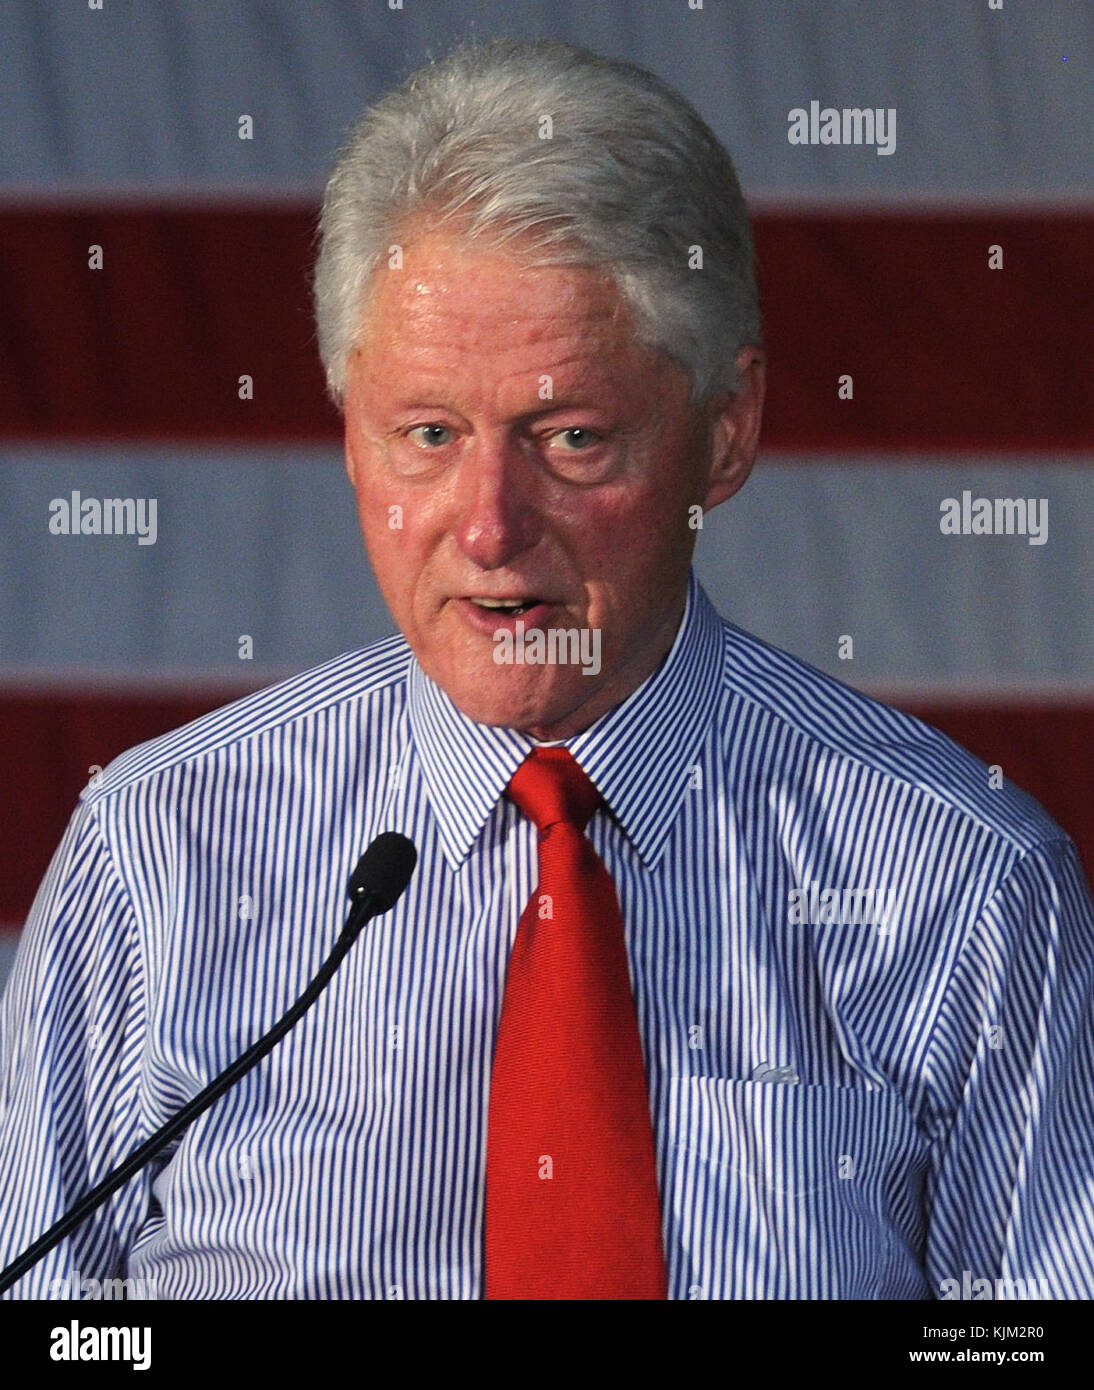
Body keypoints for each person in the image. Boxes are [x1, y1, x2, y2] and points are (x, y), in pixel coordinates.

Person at [2, 37, 1092, 1301]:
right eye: (426, 434)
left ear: (724, 433)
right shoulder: (156, 852)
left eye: (569, 437)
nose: (485, 525)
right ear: (347, 432)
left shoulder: (963, 878)